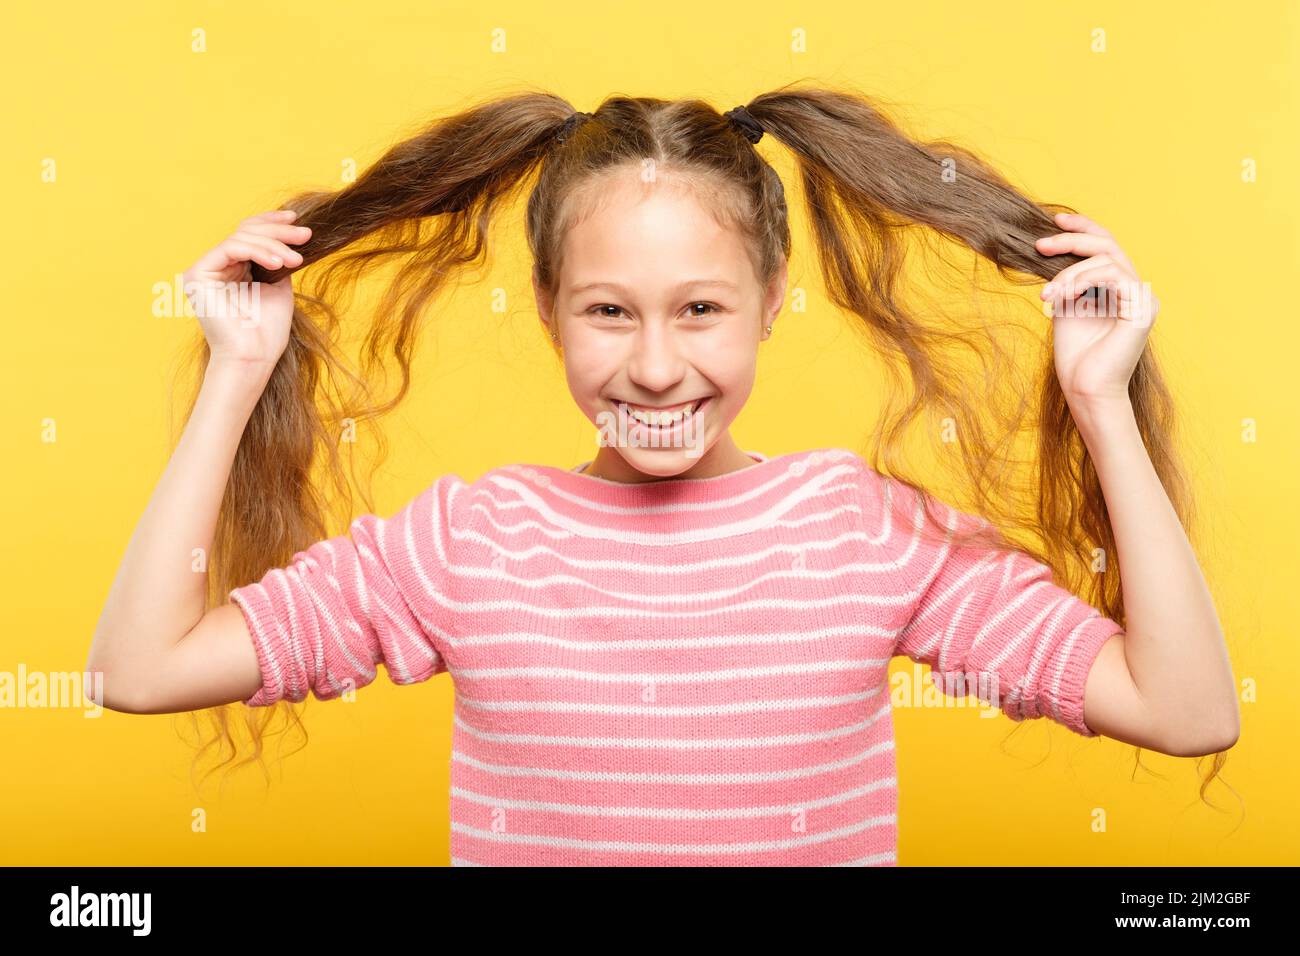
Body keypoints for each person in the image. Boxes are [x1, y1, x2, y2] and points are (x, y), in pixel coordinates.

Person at [87, 86, 1238, 866]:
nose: (652, 365)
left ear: (773, 298)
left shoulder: (861, 529)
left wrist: (1098, 400)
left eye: (699, 309)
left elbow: (1184, 709)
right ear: (546, 310)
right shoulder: (470, 541)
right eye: (606, 311)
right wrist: (239, 369)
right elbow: (141, 669)